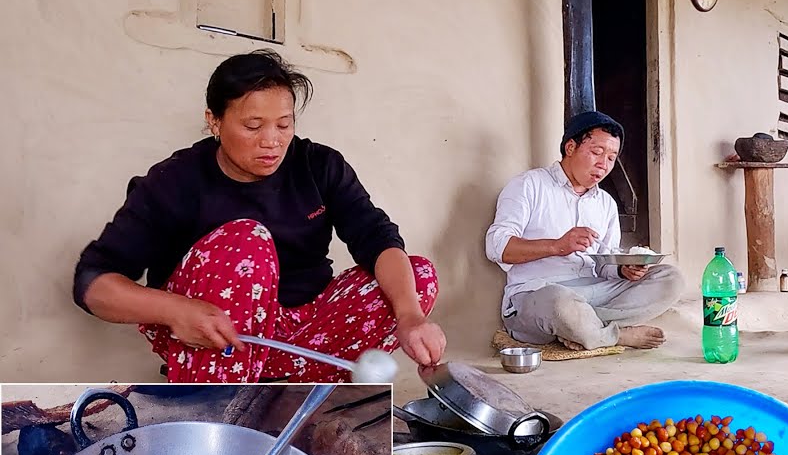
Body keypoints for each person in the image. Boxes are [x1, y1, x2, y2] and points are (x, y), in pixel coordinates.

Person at [73, 49, 446, 383]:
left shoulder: (319, 165)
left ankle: (295, 383)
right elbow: (94, 284)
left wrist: (410, 317)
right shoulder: (176, 180)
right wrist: (176, 311)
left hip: (304, 332)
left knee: (417, 276)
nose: (272, 140)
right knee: (246, 241)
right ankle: (222, 394)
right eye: (253, 126)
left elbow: (377, 238)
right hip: (221, 333)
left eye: (284, 124)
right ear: (215, 122)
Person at [485, 111, 684, 351]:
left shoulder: (605, 203)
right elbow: (496, 247)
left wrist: (623, 270)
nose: (604, 164)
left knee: (671, 279)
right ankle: (613, 335)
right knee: (560, 303)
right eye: (596, 152)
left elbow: (603, 264)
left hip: (594, 293)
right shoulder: (529, 185)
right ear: (570, 147)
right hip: (538, 293)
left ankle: (584, 329)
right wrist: (557, 246)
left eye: (611, 158)